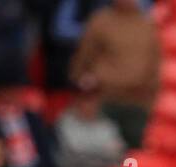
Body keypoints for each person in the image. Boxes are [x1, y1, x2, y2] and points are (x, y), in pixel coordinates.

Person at [69, 0, 161, 149]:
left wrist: (152, 96)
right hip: (104, 100)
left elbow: (155, 63)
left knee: (134, 156)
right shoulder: (100, 22)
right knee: (102, 152)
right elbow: (83, 58)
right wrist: (83, 85)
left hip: (138, 103)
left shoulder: (148, 25)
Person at [54, 85, 125, 167]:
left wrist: (85, 153)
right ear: (75, 99)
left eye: (93, 98)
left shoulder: (108, 126)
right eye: (84, 98)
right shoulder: (64, 123)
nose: (89, 103)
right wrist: (103, 156)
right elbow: (66, 161)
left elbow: (119, 159)